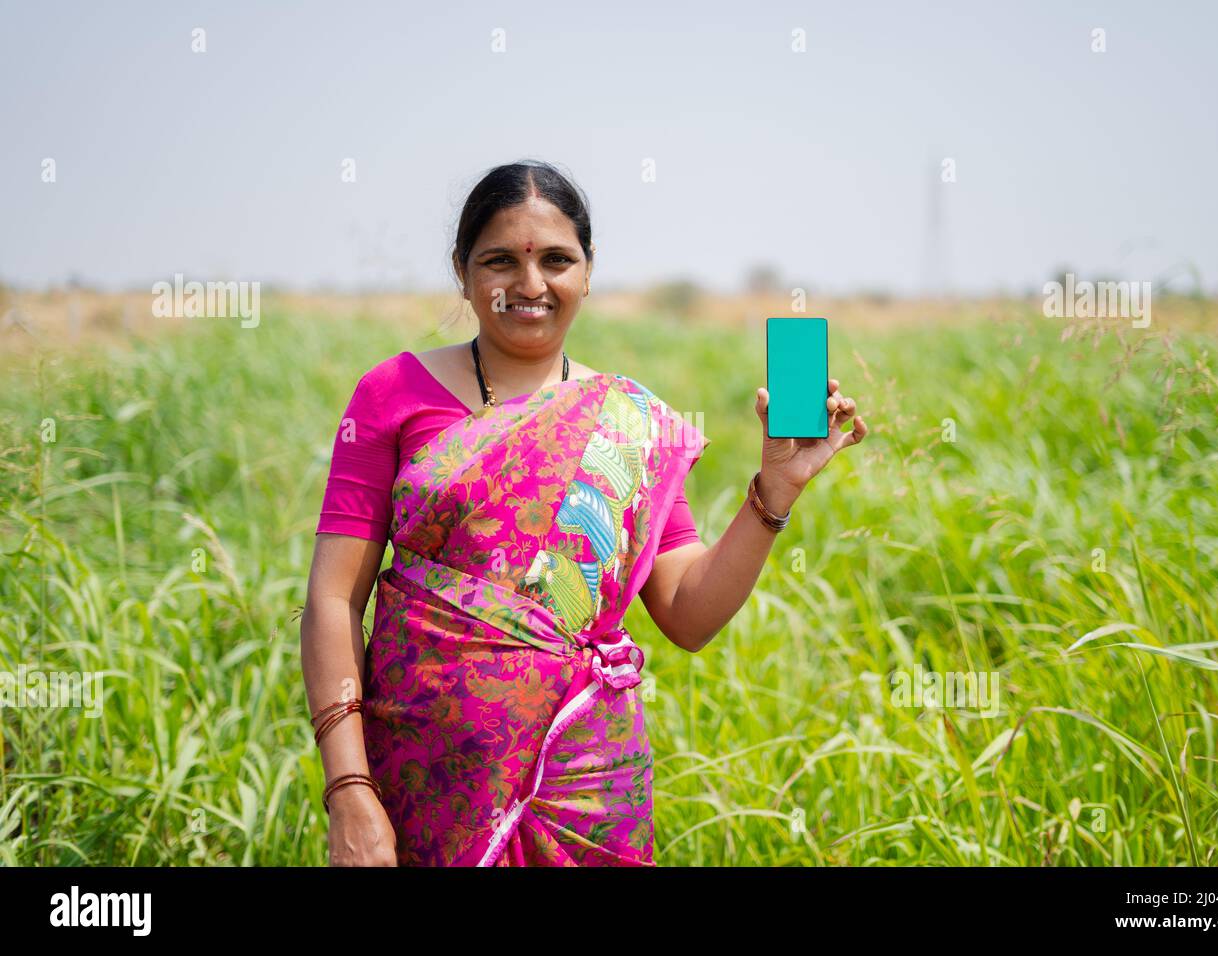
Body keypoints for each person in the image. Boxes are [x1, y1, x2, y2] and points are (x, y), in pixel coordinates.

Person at [299, 159, 866, 866]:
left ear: (589, 271)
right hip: (421, 781)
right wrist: (349, 789)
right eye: (500, 260)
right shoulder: (393, 394)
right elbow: (331, 600)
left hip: (585, 786)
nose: (531, 285)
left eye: (558, 260)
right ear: (463, 271)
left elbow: (688, 615)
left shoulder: (624, 425)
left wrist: (775, 492)